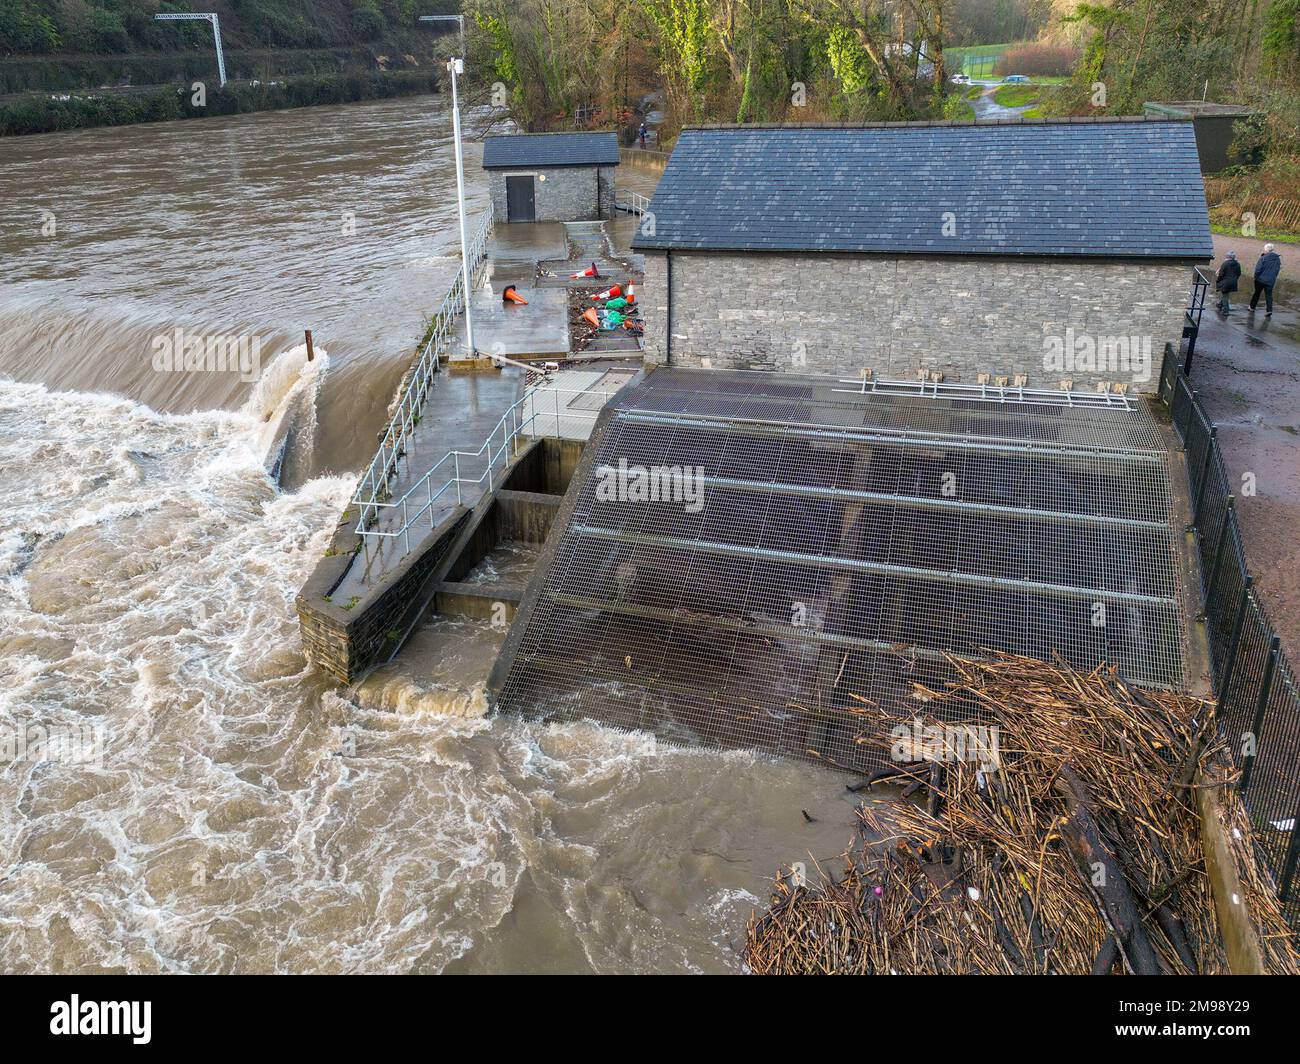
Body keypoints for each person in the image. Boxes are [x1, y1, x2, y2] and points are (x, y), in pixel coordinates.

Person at [1249, 243, 1282, 317]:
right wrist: (1274, 277)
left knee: (1257, 293)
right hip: (1271, 280)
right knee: (1269, 295)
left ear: (1266, 249)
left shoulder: (1263, 258)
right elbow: (1277, 270)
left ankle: (1252, 307)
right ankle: (1269, 310)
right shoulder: (1277, 258)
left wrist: (1255, 277)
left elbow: (1258, 269)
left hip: (1260, 280)